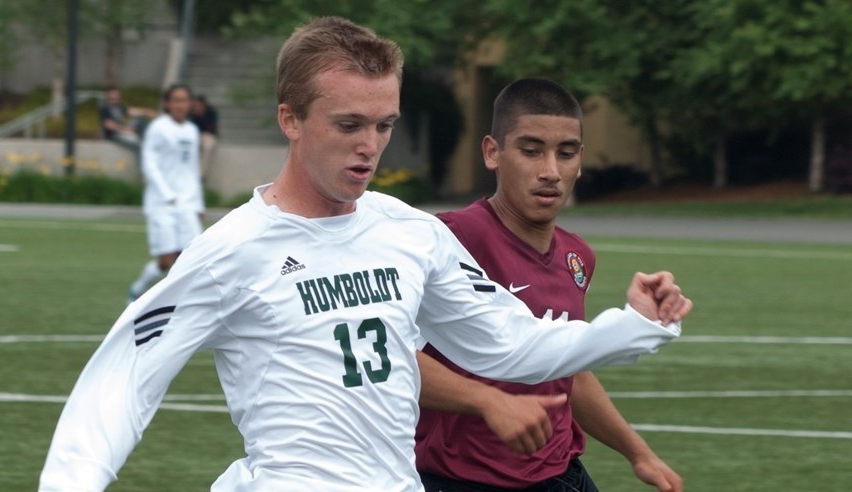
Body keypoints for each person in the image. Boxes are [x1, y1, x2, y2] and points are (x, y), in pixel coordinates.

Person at [39, 17, 691, 492]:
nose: (369, 147)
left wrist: (634, 327)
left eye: (384, 125)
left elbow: (506, 345)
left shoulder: (408, 231)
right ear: (291, 119)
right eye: (349, 124)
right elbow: (122, 380)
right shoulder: (232, 250)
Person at [415, 78, 683, 492]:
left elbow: (568, 372)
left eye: (566, 153)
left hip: (562, 474)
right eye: (531, 150)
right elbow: (389, 355)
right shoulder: (445, 240)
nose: (550, 172)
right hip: (462, 481)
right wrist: (487, 401)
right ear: (492, 153)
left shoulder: (577, 256)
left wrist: (637, 452)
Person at [126, 84, 204, 303]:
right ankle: (138, 289)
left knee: (190, 259)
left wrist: (198, 204)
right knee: (166, 260)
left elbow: (192, 169)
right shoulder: (158, 128)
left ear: (190, 104)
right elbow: (149, 164)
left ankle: (173, 306)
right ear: (167, 104)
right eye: (176, 100)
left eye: (184, 100)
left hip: (187, 203)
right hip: (161, 203)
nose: (180, 105)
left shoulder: (191, 130)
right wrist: (167, 194)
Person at [98, 86, 157, 153]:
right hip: (114, 135)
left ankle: (148, 141)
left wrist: (147, 112)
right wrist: (126, 129)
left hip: (123, 131)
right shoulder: (105, 108)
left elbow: (132, 111)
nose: (115, 98)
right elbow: (109, 125)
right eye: (112, 97)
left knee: (141, 120)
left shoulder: (119, 107)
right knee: (138, 146)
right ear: (108, 96)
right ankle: (143, 161)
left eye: (116, 96)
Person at [189, 94, 219, 178]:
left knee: (208, 146)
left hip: (208, 135)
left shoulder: (211, 112)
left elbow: (210, 128)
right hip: (194, 135)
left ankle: (201, 175)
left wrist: (201, 115)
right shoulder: (191, 114)